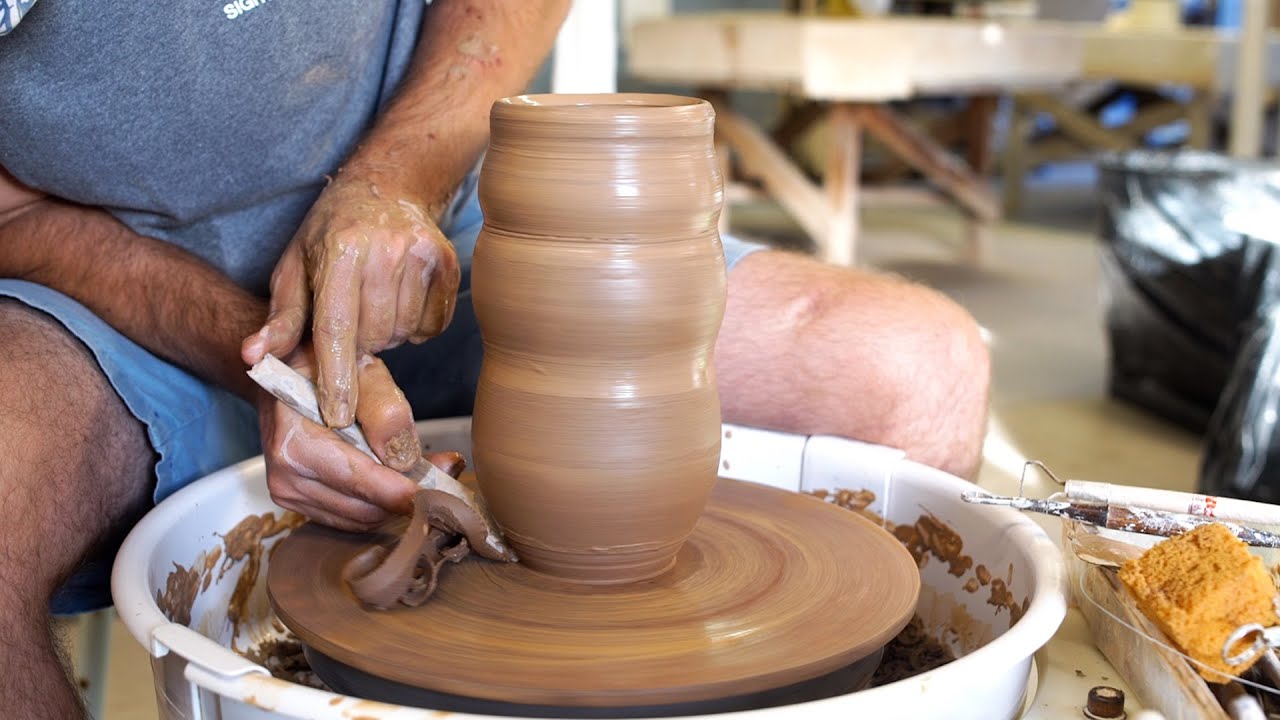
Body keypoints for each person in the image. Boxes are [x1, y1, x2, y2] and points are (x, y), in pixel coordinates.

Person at [0, 2, 989, 717]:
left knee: (917, 368)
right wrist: (262, 350)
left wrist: (395, 179)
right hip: (107, 290)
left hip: (444, 225)